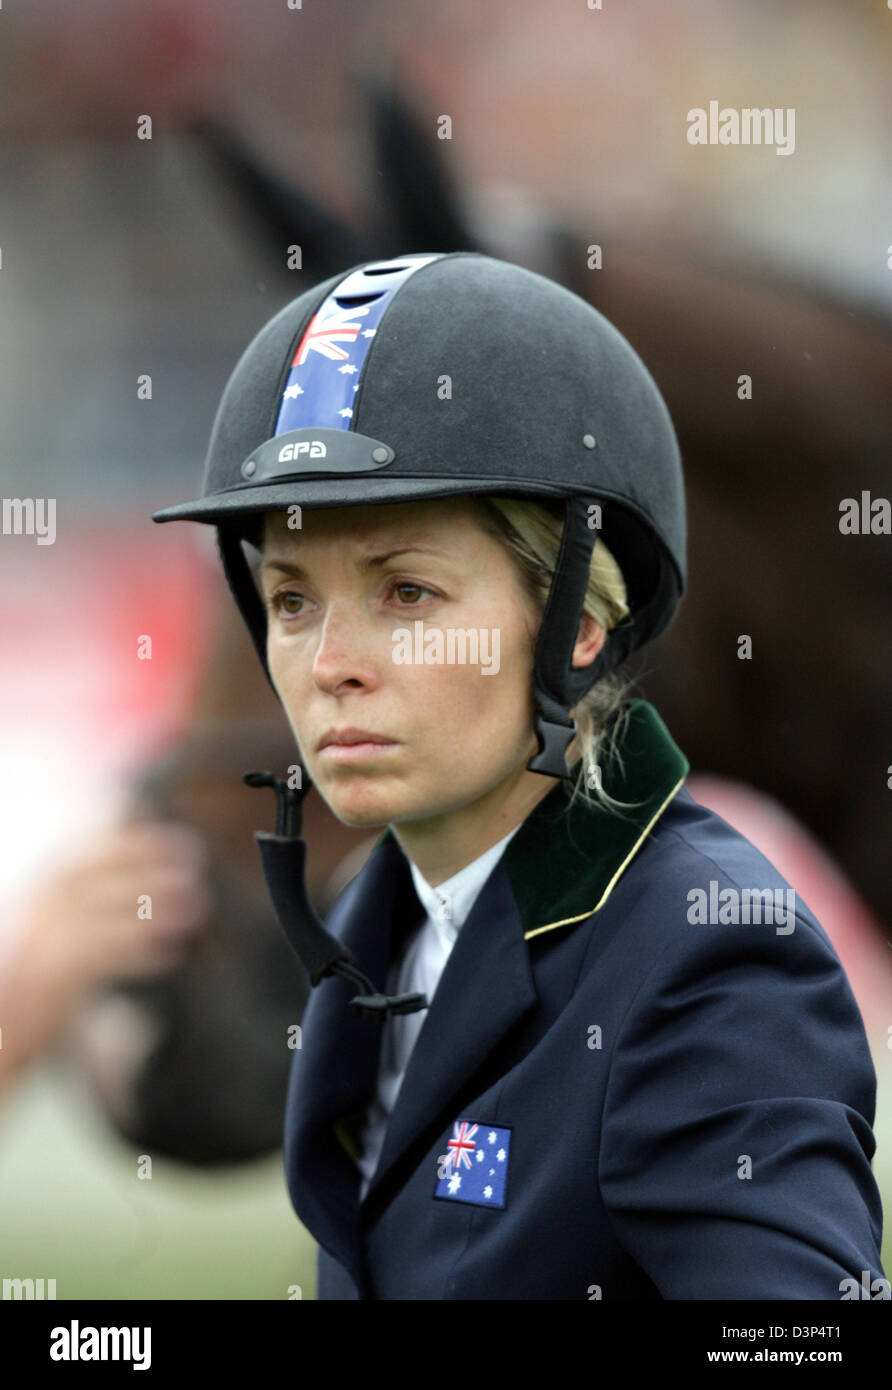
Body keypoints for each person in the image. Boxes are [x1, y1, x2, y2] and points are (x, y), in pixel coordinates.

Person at [153, 252, 886, 1300]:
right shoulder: (376, 914)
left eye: (406, 592)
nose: (329, 665)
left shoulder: (709, 955)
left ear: (577, 627)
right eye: (291, 599)